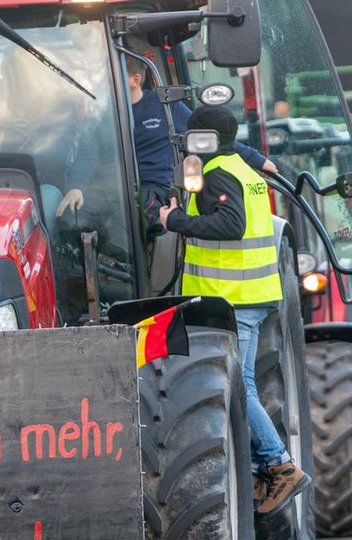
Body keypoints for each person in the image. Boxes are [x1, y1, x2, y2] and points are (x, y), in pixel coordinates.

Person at [159, 105, 310, 517]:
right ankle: (267, 468)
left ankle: (279, 465)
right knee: (241, 382)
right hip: (252, 294)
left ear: (202, 139)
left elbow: (231, 225)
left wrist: (174, 220)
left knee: (240, 384)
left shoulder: (218, 173)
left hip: (236, 298)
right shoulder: (241, 165)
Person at [58, 54, 277, 236]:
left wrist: (258, 160)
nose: (106, 82)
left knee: (131, 215)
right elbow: (88, 154)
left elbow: (210, 138)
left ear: (135, 80)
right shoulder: (102, 113)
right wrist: (76, 187)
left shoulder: (166, 108)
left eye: (113, 77)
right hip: (110, 189)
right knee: (70, 214)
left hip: (151, 190)